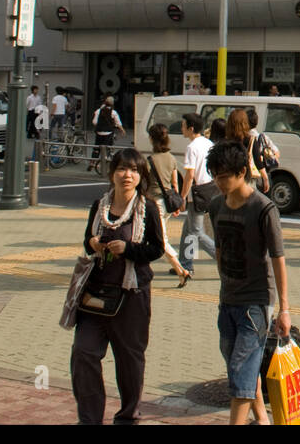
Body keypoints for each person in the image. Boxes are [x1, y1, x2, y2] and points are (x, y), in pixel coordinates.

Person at [71, 148, 165, 424]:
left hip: (131, 296)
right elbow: (87, 240)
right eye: (122, 169)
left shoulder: (147, 208)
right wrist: (92, 243)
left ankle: (127, 417)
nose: (128, 175)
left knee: (129, 362)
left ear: (140, 176)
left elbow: (156, 249)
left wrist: (128, 248)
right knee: (83, 353)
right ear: (112, 173)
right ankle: (89, 419)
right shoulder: (99, 205)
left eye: (134, 170)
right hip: (96, 295)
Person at [205, 140, 291, 426]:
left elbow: (278, 258)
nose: (218, 182)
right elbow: (218, 249)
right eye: (215, 175)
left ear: (242, 172)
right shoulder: (216, 205)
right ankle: (263, 420)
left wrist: (284, 309)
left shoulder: (263, 208)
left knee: (241, 371)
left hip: (255, 304)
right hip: (227, 300)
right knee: (239, 367)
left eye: (223, 175)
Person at [145, 123, 191, 288]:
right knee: (151, 236)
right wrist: (177, 204)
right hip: (168, 203)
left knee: (161, 240)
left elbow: (144, 185)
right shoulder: (171, 158)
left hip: (155, 204)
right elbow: (174, 184)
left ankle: (181, 271)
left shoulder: (150, 160)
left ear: (152, 139)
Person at [177, 113, 217, 275]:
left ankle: (226, 259)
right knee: (188, 230)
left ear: (191, 128)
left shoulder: (191, 147)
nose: (181, 128)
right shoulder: (208, 143)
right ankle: (186, 265)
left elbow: (189, 176)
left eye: (183, 125)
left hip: (197, 194)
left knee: (197, 232)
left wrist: (182, 197)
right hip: (210, 190)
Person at [247, 108, 279, 197]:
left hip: (249, 175)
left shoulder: (244, 138)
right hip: (263, 175)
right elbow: (276, 152)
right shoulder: (263, 137)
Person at [90, 96, 125, 173]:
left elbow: (94, 122)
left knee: (96, 148)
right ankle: (106, 160)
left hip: (99, 132)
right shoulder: (113, 112)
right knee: (108, 147)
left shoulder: (98, 111)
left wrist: (99, 126)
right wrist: (122, 130)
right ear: (112, 104)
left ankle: (92, 162)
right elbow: (118, 123)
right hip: (108, 132)